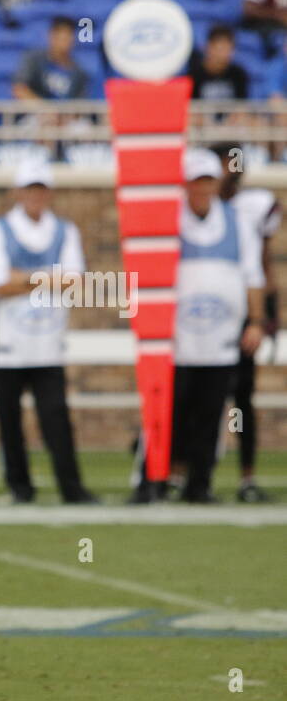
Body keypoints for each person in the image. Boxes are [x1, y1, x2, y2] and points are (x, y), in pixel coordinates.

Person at [135, 149, 266, 504]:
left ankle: (199, 484)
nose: (202, 188)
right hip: (176, 339)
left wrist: (255, 321)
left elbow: (253, 276)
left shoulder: (237, 223)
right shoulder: (168, 221)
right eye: (196, 181)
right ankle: (153, 481)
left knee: (211, 415)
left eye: (208, 180)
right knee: (167, 413)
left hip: (221, 339)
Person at [0, 158, 96, 505]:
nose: (35, 195)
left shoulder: (65, 229)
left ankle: (71, 487)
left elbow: (76, 282)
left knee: (56, 416)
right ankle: (20, 486)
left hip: (48, 341)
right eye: (30, 189)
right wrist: (49, 277)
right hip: (8, 341)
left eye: (41, 189)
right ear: (18, 192)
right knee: (9, 420)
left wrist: (24, 277)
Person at [214, 142, 280, 502]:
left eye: (234, 162)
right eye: (225, 162)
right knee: (197, 394)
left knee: (241, 398)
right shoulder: (196, 208)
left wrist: (268, 313)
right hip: (205, 316)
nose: (230, 169)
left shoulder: (251, 207)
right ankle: (184, 471)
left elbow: (264, 264)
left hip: (243, 313)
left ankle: (247, 476)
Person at [12, 16, 89, 101]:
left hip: (65, 113)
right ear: (51, 36)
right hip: (36, 112)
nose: (65, 41)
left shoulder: (78, 72)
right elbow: (20, 89)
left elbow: (80, 103)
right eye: (60, 37)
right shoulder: (35, 60)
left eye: (68, 36)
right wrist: (45, 110)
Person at [188, 25, 250, 101]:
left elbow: (242, 105)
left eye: (228, 49)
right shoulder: (194, 75)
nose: (224, 54)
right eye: (220, 48)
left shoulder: (238, 74)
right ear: (208, 47)